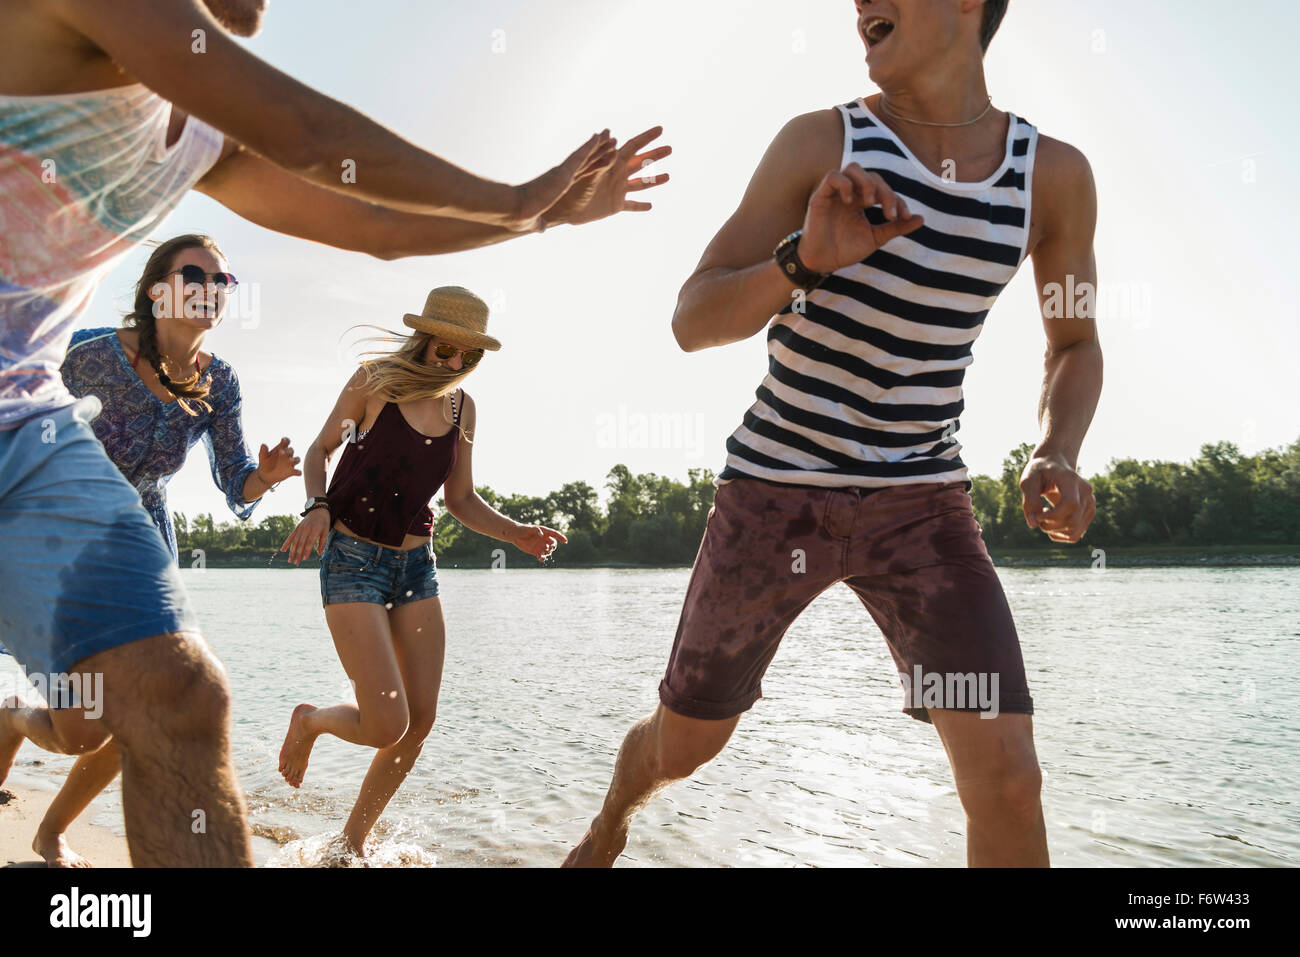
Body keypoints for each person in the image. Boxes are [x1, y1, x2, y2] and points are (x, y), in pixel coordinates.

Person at [0, 0, 666, 866]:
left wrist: (538, 219)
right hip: (60, 437)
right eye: (191, 274)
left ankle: (19, 725)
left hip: (23, 424)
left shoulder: (203, 140)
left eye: (220, 276)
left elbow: (378, 226)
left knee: (169, 699)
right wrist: (518, 195)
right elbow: (309, 129)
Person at [565, 0, 1102, 867]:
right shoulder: (821, 144)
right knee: (685, 744)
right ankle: (609, 823)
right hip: (775, 491)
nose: (859, 3)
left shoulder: (1052, 177)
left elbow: (1073, 341)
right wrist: (800, 261)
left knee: (1008, 780)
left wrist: (1058, 448)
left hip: (921, 507)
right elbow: (691, 318)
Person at [5, 234, 293, 868]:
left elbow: (233, 480)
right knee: (81, 726)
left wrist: (265, 478)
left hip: (140, 547)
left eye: (222, 281)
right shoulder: (89, 354)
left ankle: (50, 831)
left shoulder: (221, 381)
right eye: (195, 274)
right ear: (156, 288)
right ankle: (13, 720)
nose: (210, 289)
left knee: (156, 702)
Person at [277, 286, 565, 862]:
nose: (455, 363)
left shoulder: (464, 408)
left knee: (421, 719)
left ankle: (351, 840)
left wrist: (518, 533)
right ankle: (310, 721)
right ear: (424, 338)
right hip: (353, 561)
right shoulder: (373, 382)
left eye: (469, 356)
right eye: (446, 350)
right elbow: (317, 452)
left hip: (416, 567)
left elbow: (461, 498)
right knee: (387, 722)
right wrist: (317, 504)